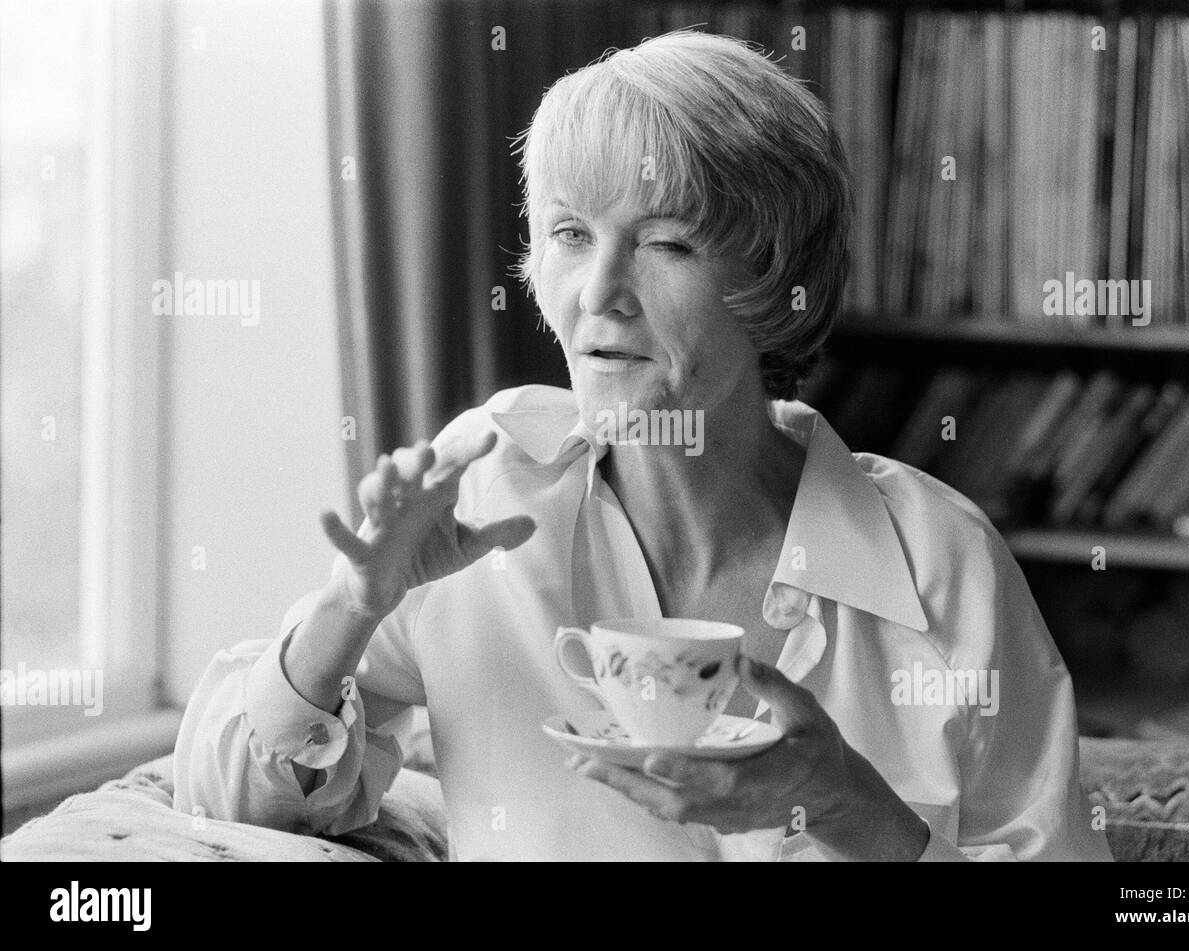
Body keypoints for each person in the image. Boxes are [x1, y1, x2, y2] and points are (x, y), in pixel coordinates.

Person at [174, 29, 1113, 861]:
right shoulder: (487, 495)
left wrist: (842, 802)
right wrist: (355, 602)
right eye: (571, 234)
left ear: (776, 283)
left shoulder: (942, 564)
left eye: (666, 243)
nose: (598, 293)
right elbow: (226, 800)